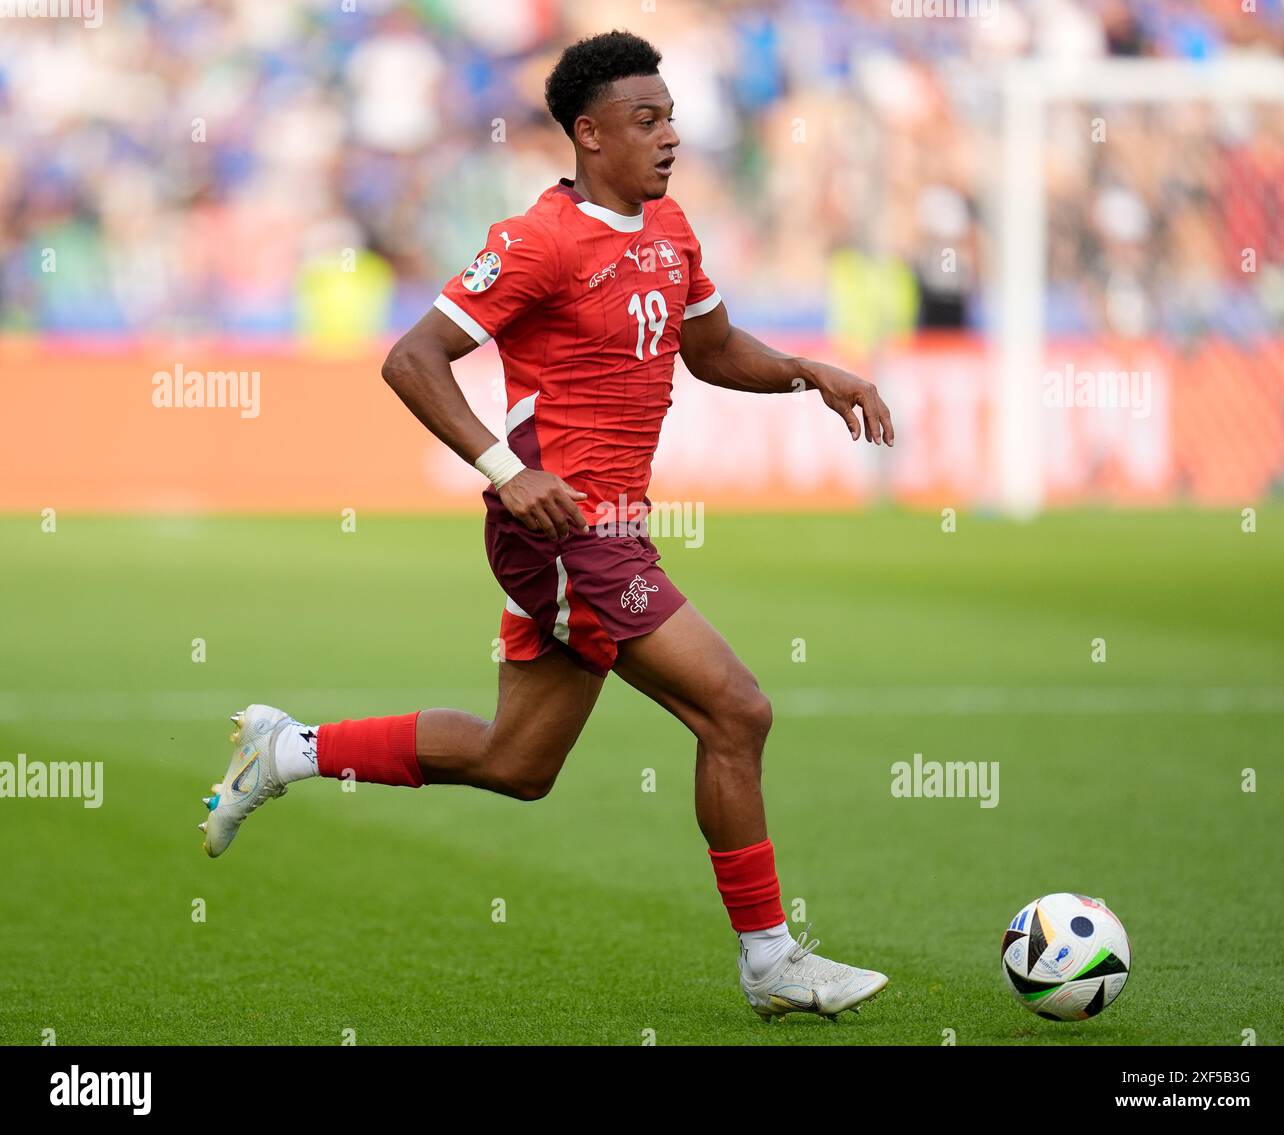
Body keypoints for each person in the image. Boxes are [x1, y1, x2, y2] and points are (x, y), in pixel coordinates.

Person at [199, 29, 895, 1022]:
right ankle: (771, 960)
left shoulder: (670, 230)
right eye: (645, 120)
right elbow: (411, 357)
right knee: (735, 711)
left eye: (671, 119)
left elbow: (712, 347)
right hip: (563, 531)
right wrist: (503, 469)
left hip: (610, 531)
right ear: (587, 133)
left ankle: (288, 749)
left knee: (516, 762)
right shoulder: (540, 239)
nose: (668, 138)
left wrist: (809, 371)